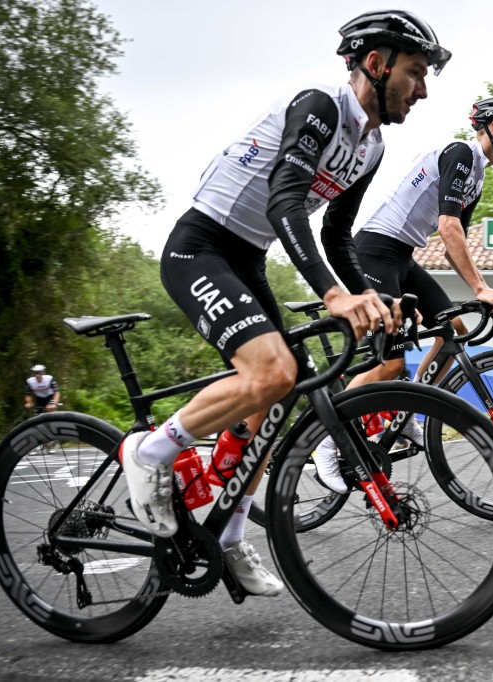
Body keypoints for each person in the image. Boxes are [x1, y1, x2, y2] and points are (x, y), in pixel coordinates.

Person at [117, 10, 452, 596]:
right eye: (415, 73)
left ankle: (228, 535)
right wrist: (334, 295)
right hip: (201, 246)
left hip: (245, 257)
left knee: (282, 390)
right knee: (270, 370)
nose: (422, 90)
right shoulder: (321, 106)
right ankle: (151, 453)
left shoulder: (370, 146)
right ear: (375, 64)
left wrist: (375, 295)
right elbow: (285, 204)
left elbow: (337, 236)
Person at [311, 95, 493, 494]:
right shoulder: (461, 154)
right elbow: (449, 227)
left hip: (400, 255)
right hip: (374, 251)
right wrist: (481, 288)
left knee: (452, 326)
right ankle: (325, 443)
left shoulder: (478, 175)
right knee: (388, 364)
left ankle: (405, 413)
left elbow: (455, 240)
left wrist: (479, 290)